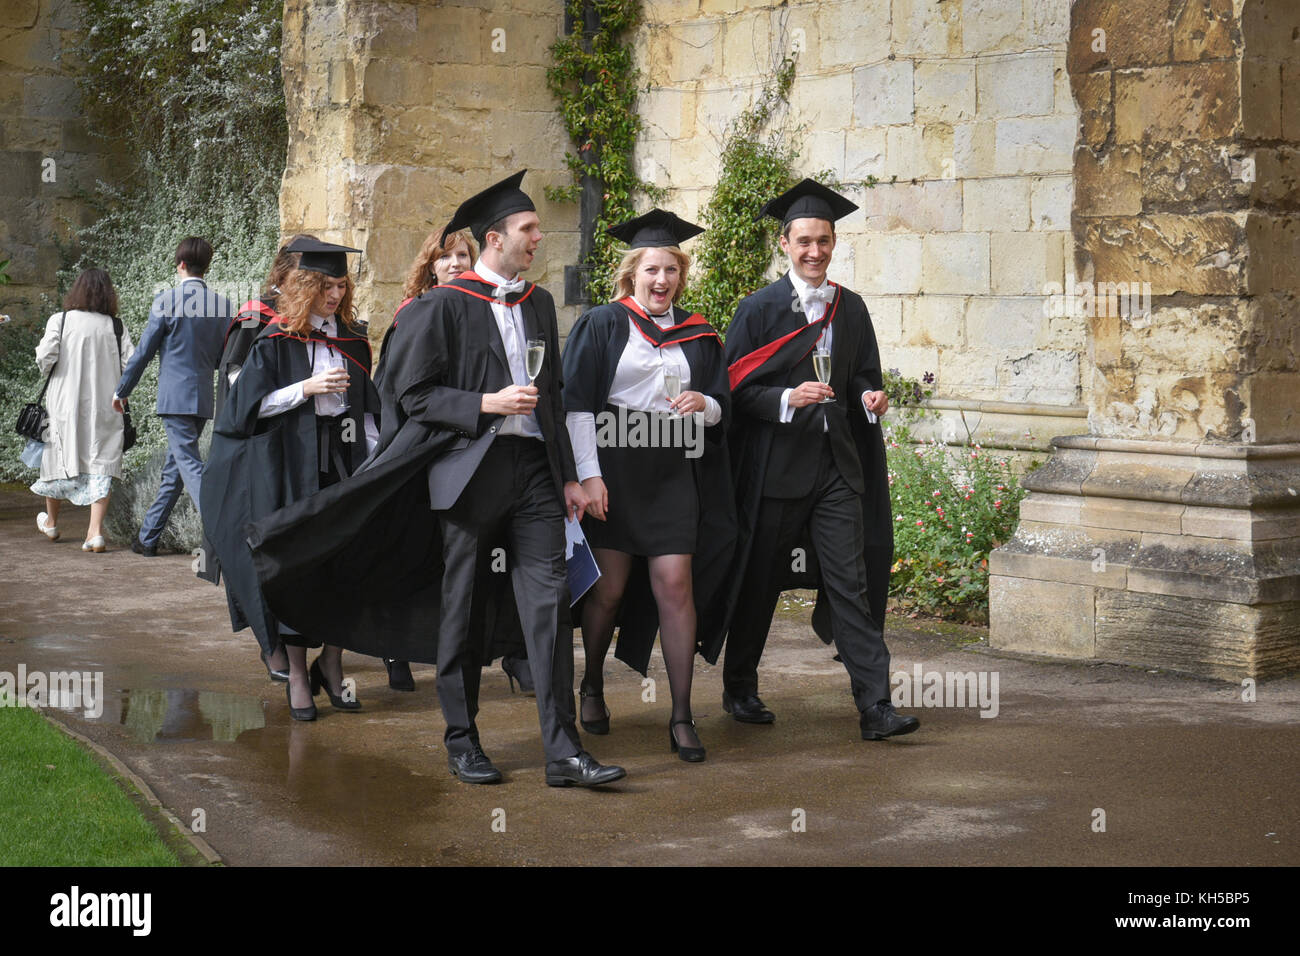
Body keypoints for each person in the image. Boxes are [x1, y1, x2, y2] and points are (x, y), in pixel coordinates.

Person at [718, 179, 919, 741]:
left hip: (836, 469)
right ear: (785, 243)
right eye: (804, 240)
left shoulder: (850, 308)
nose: (815, 251)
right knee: (759, 584)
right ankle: (740, 685)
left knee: (850, 583)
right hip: (776, 473)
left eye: (824, 241)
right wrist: (786, 397)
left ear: (833, 243)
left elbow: (864, 376)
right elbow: (731, 390)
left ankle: (875, 706)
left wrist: (871, 398)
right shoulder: (756, 310)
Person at [561, 209, 735, 762]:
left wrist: (704, 404)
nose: (662, 281)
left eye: (672, 271)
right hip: (614, 468)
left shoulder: (701, 335)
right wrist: (588, 477)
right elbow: (577, 407)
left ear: (681, 276)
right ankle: (591, 683)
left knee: (675, 586)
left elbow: (721, 408)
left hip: (671, 469)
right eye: (652, 270)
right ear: (631, 274)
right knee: (608, 591)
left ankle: (681, 715)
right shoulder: (602, 325)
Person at [200, 238, 381, 722]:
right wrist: (305, 388)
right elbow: (244, 410)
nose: (335, 295)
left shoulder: (353, 339)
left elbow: (366, 408)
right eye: (326, 285)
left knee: (347, 566)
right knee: (298, 569)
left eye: (341, 286)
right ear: (305, 285)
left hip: (343, 461)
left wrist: (375, 456)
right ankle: (298, 674)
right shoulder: (277, 338)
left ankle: (334, 662)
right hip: (294, 463)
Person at [205, 233, 314, 683]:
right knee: (250, 546)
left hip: (300, 451)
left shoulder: (312, 322)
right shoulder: (255, 319)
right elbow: (240, 395)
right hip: (253, 449)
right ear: (285, 272)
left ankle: (296, 643)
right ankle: (269, 645)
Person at [113, 237, 231, 557]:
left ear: (180, 265)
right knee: (174, 470)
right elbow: (224, 359)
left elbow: (142, 355)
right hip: (203, 398)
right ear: (206, 266)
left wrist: (121, 391)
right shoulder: (224, 306)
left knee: (189, 466)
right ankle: (147, 538)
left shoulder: (167, 300)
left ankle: (223, 534)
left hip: (175, 399)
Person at [31, 269, 134, 552]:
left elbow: (45, 358)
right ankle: (94, 532)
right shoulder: (116, 327)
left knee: (57, 458)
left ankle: (51, 523)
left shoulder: (60, 320)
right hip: (106, 405)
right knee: (102, 461)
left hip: (64, 403)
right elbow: (132, 365)